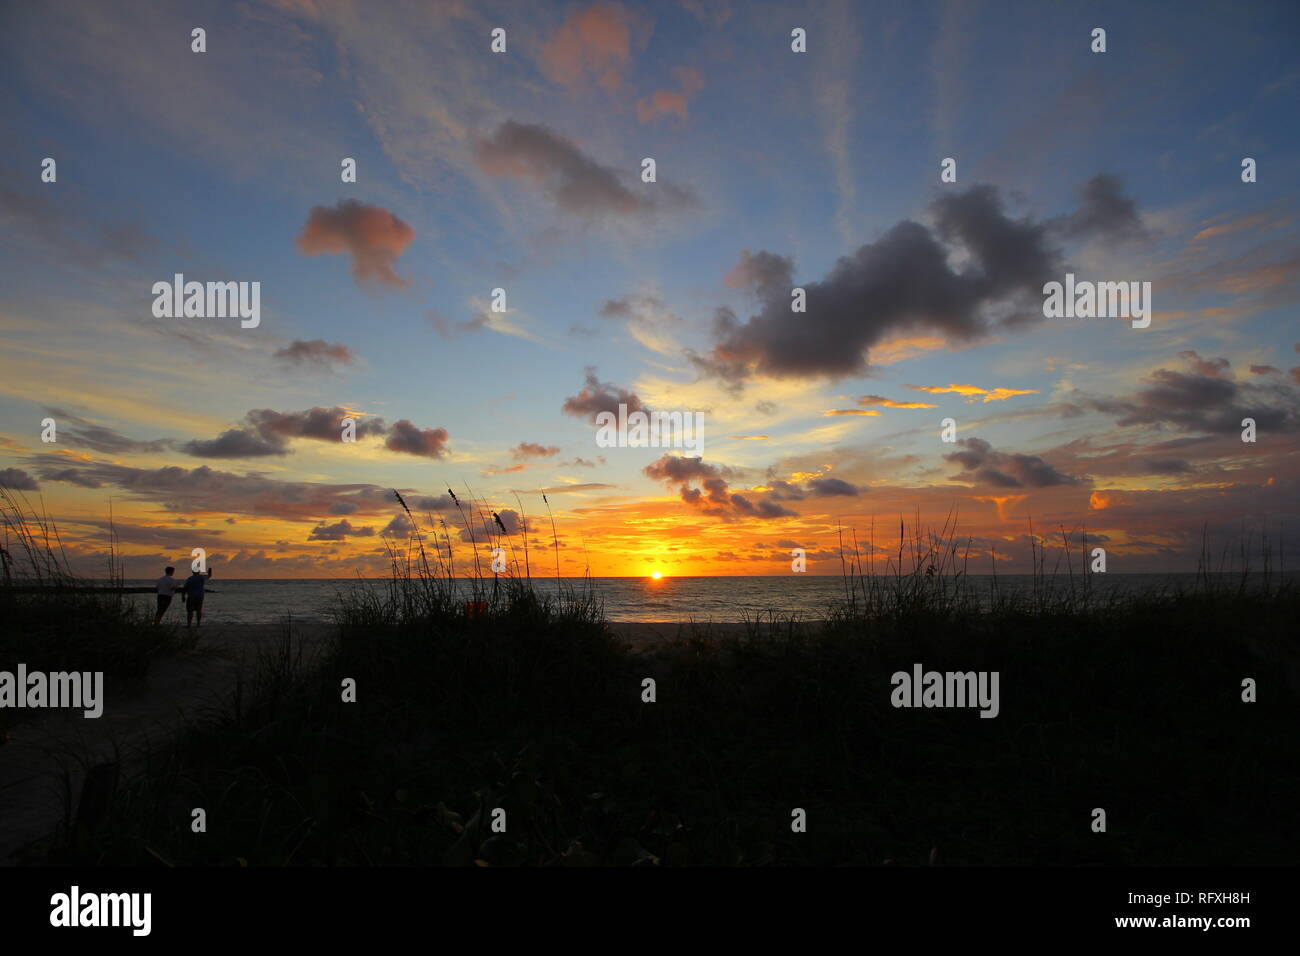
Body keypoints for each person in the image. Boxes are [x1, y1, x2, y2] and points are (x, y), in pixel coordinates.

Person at [183, 561, 213, 628]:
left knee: (190, 611)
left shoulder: (189, 579)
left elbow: (185, 588)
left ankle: (189, 624)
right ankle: (198, 624)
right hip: (200, 596)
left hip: (191, 596)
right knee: (199, 610)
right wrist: (210, 569)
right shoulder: (201, 577)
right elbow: (209, 575)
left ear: (192, 572)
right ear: (198, 571)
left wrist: (183, 596)